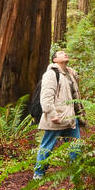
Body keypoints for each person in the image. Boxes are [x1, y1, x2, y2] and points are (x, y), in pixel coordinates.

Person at [32, 48, 85, 181]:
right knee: (47, 146)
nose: (65, 53)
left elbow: (75, 96)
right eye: (61, 53)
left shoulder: (70, 74)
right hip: (57, 117)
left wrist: (79, 114)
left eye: (65, 52)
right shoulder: (51, 74)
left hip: (70, 118)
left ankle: (76, 171)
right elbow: (46, 96)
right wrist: (51, 113)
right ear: (55, 60)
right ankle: (39, 172)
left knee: (75, 144)